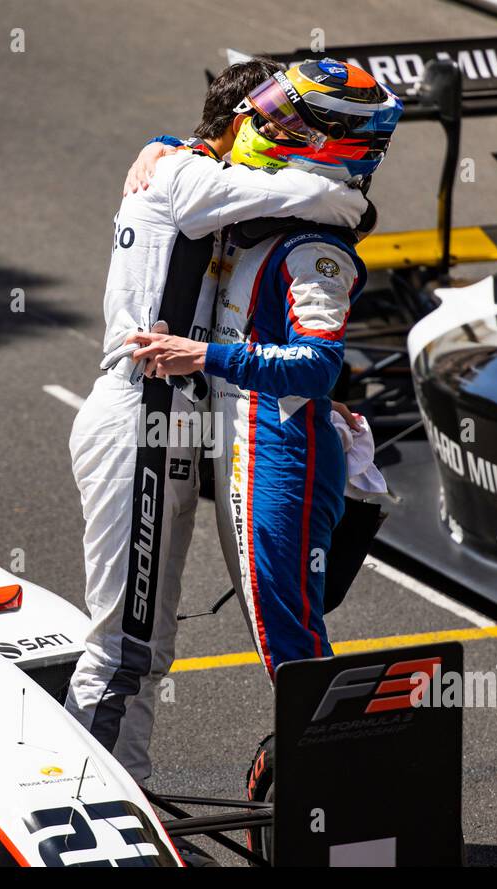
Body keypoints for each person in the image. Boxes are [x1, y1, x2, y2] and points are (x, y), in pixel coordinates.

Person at [66, 59, 370, 782]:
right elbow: (324, 201)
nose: (285, 144)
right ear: (242, 126)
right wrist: (346, 194)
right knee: (126, 646)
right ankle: (95, 805)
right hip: (142, 414)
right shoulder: (185, 176)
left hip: (173, 419)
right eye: (276, 125)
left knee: (143, 645)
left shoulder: (184, 165)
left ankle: (123, 791)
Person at [128, 59, 401, 679]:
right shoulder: (265, 218)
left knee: (288, 639)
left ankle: (341, 741)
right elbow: (213, 152)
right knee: (273, 632)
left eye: (279, 119)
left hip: (280, 453)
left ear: (328, 145)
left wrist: (204, 356)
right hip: (241, 441)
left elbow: (318, 365)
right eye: (260, 111)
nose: (255, 122)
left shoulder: (316, 249)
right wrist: (164, 145)